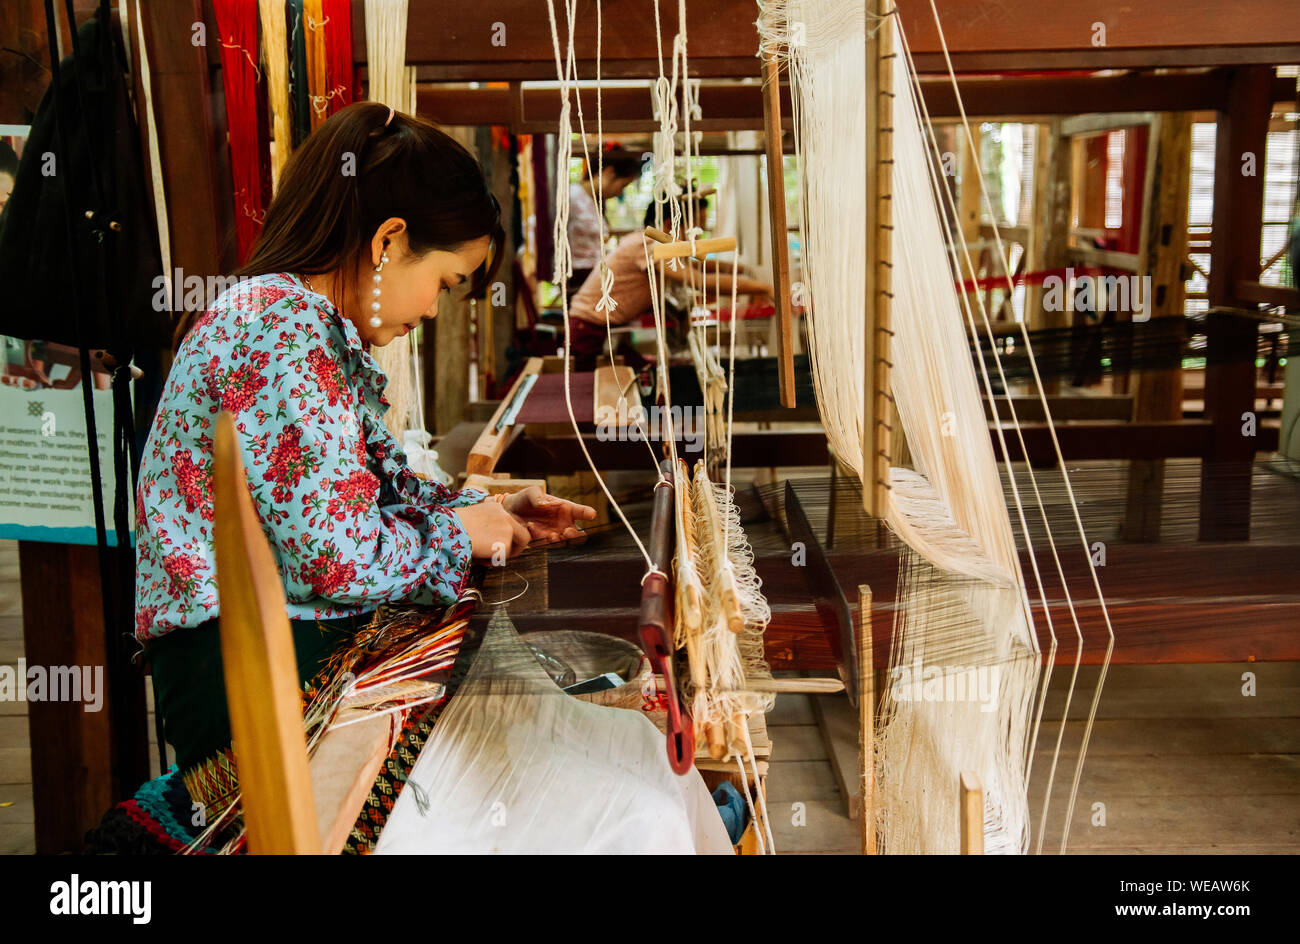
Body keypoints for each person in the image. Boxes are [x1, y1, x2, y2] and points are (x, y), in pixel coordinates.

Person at [134, 102, 597, 780]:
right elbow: (338, 561)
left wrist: (486, 510)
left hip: (265, 644)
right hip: (245, 667)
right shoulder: (281, 334)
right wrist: (459, 535)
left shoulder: (302, 327)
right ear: (387, 243)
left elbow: (374, 493)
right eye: (443, 282)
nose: (436, 309)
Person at [566, 194, 775, 370]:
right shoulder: (649, 244)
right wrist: (765, 288)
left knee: (641, 378)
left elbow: (699, 266)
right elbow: (699, 281)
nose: (698, 240)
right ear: (669, 225)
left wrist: (747, 270)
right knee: (593, 398)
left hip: (599, 328)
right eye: (696, 231)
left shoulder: (654, 241)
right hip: (589, 330)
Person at [566, 143, 643, 296]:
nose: (620, 192)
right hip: (578, 279)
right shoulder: (572, 197)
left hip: (594, 276)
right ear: (609, 173)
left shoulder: (596, 203)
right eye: (623, 185)